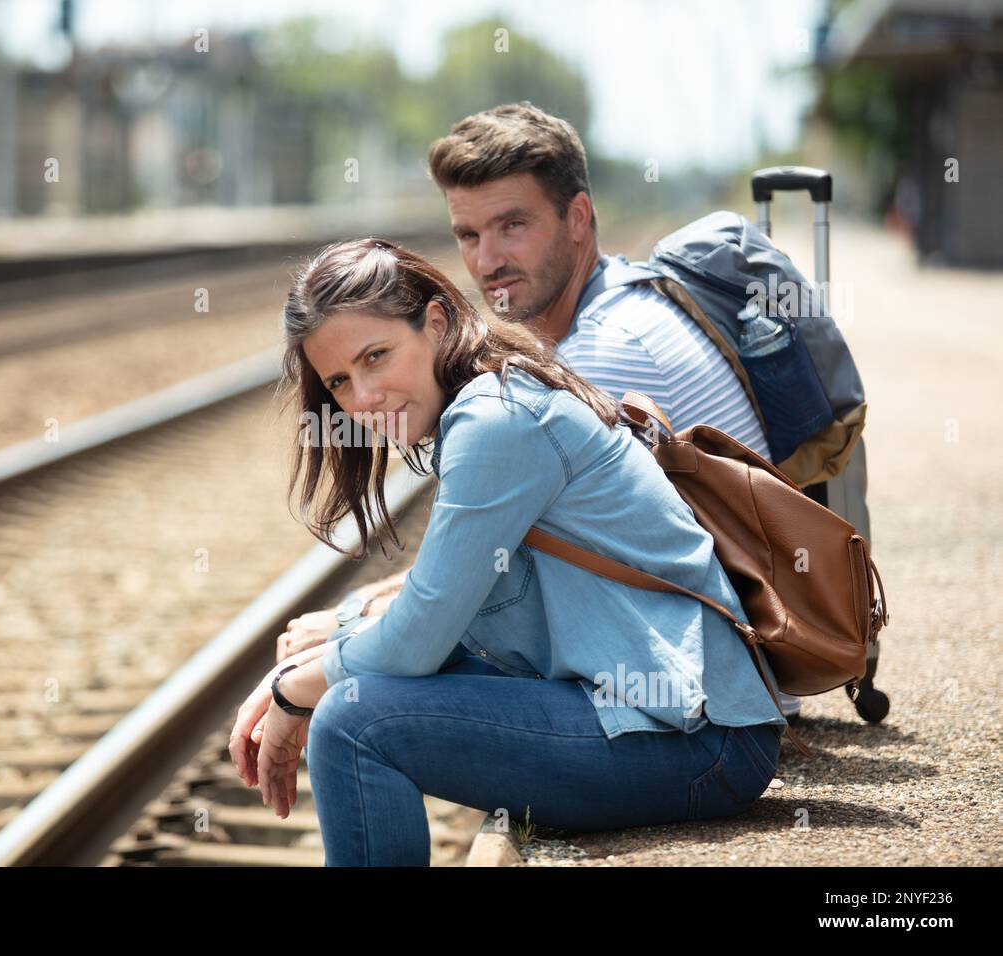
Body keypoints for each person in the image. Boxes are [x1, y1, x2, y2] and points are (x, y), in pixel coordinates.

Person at [229, 237, 787, 866]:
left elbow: (417, 640)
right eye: (339, 380)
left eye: (376, 357)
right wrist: (344, 632)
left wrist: (290, 689)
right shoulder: (490, 400)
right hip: (651, 713)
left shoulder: (496, 420)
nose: (362, 399)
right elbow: (453, 610)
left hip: (697, 739)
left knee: (354, 721)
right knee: (356, 689)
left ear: (435, 323)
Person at [276, 101, 803, 722]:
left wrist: (353, 617)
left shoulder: (601, 352)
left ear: (577, 218)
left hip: (705, 678)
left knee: (373, 702)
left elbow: (474, 576)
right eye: (468, 236)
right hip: (683, 647)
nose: (487, 260)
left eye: (512, 226)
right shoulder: (623, 299)